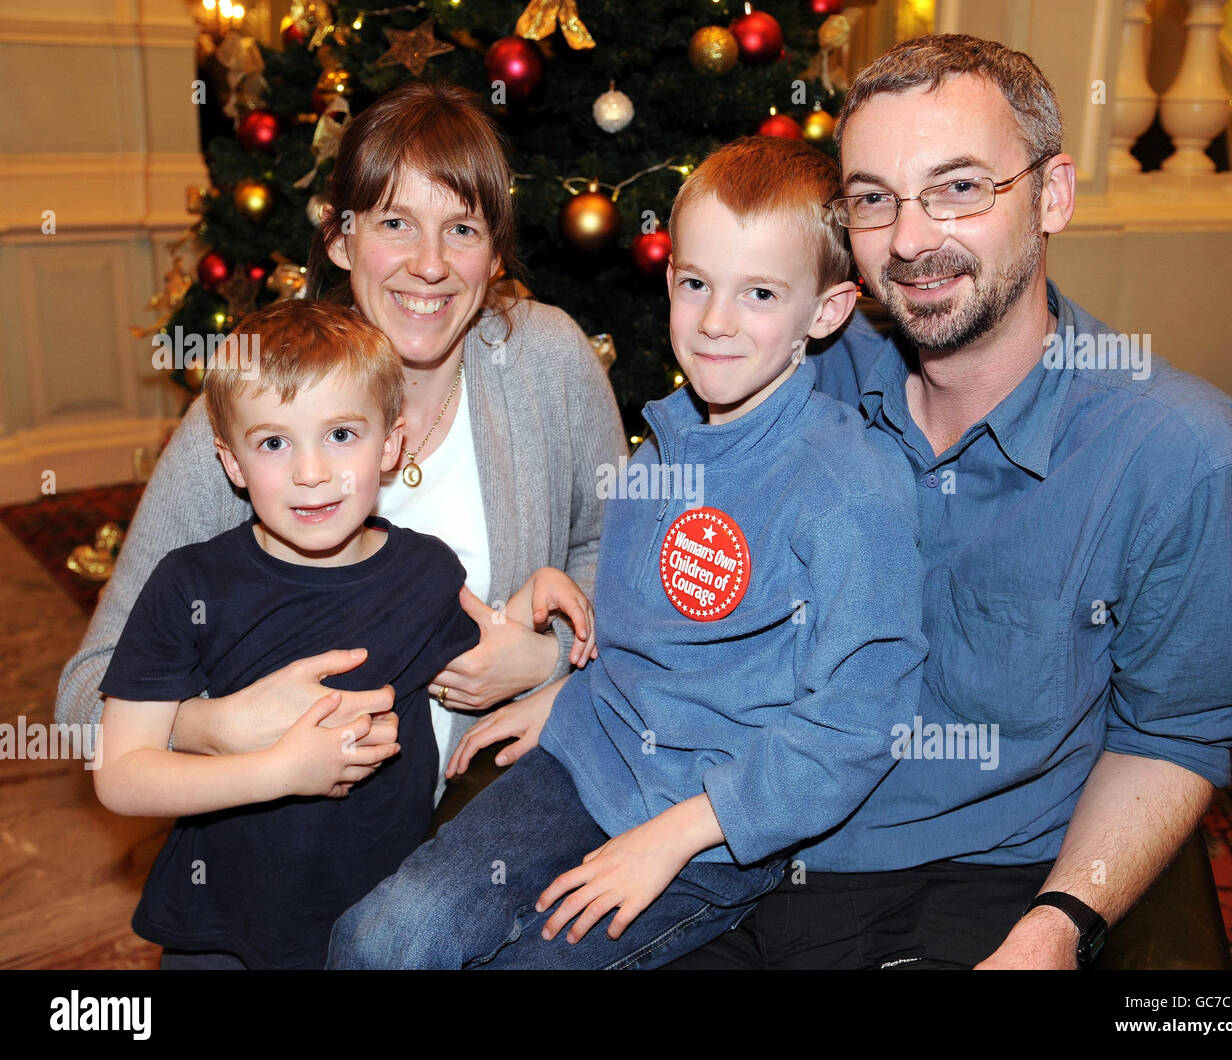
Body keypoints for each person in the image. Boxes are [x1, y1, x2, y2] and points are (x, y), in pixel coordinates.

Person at [668, 34, 1232, 970]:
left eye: (958, 188)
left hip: (966, 884)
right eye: (874, 198)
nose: (909, 242)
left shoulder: (1176, 455)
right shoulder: (796, 366)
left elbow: (1171, 731)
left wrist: (1056, 928)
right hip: (729, 837)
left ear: (1052, 196)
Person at [326, 136, 928, 969]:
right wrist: (570, 693)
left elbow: (856, 722)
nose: (716, 322)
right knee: (389, 933)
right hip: (586, 766)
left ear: (824, 313)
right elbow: (640, 641)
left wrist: (673, 838)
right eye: (694, 285)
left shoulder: (849, 487)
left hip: (715, 837)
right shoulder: (658, 453)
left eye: (759, 293)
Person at [56, 80, 625, 803]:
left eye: (463, 229)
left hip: (496, 800)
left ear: (494, 254)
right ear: (338, 235)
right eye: (394, 223)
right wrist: (216, 727)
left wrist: (550, 661)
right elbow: (85, 698)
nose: (429, 264)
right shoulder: (259, 396)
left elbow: (621, 558)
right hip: (297, 846)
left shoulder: (546, 358)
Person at [93, 301, 588, 970]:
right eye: (273, 443)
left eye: (341, 435)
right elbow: (121, 775)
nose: (311, 471)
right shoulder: (189, 586)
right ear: (230, 461)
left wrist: (536, 601)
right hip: (221, 928)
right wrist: (279, 770)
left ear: (390, 444)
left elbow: (479, 665)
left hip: (370, 929)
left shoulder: (426, 570)